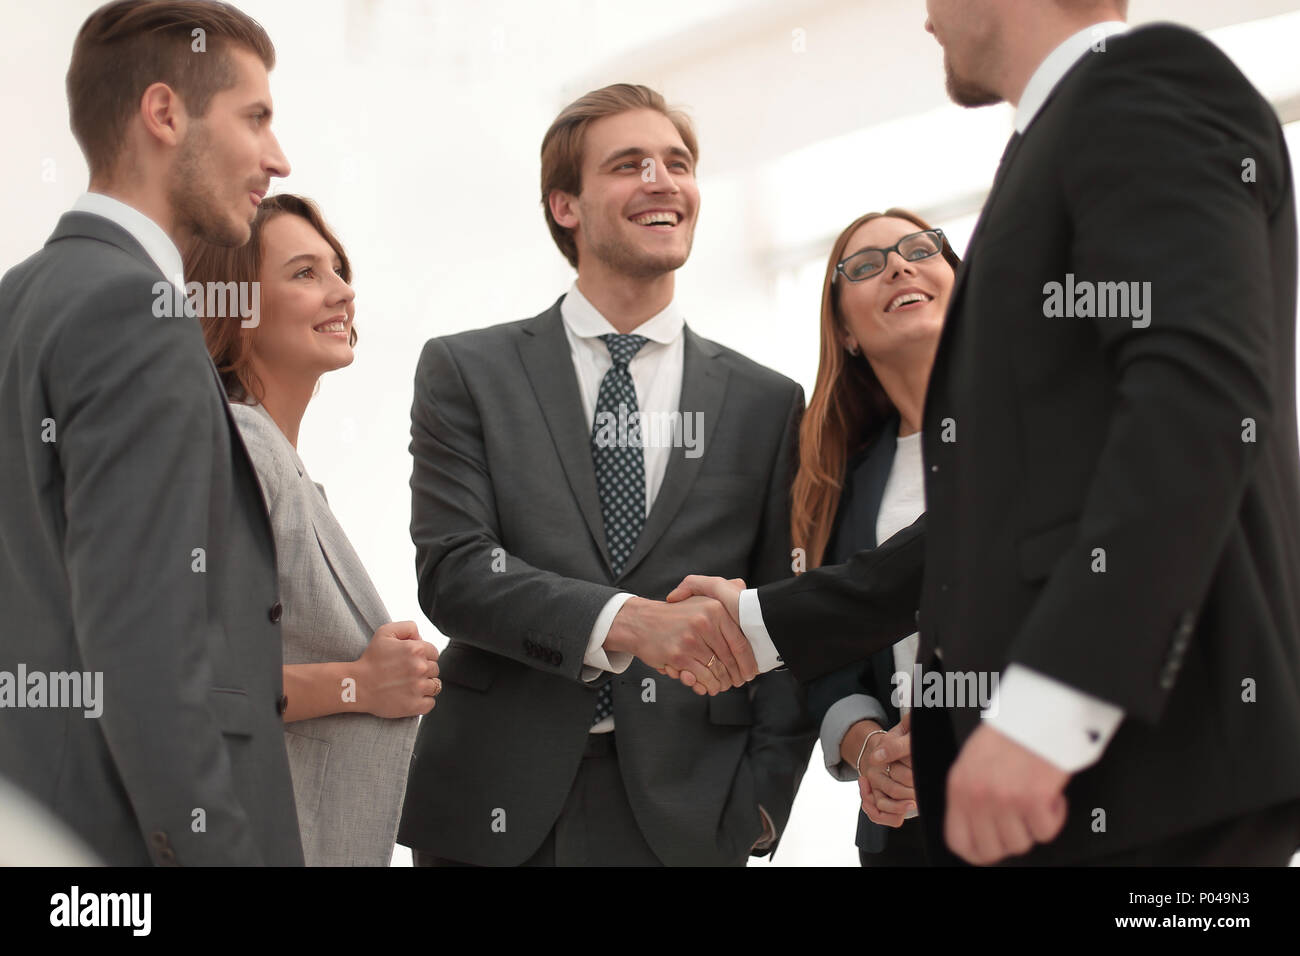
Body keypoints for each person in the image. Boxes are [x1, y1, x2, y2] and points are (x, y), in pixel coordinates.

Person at [672, 0, 1300, 866]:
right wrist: (757, 622)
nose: (926, 21)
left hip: (1156, 764)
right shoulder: (1052, 145)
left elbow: (1193, 404)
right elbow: (986, 526)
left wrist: (1051, 707)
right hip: (1076, 790)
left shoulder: (1139, 82)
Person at [396, 83, 815, 867]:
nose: (662, 180)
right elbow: (455, 572)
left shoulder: (769, 402)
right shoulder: (467, 370)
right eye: (629, 164)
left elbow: (783, 618)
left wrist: (760, 805)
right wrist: (629, 621)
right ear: (566, 205)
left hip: (686, 816)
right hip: (494, 804)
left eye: (677, 163)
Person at [0, 0, 300, 865]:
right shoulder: (137, 308)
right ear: (165, 113)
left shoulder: (26, 298)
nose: (277, 159)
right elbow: (147, 652)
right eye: (256, 118)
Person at [185, 194, 439, 866]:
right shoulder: (236, 449)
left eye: (339, 270)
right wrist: (361, 682)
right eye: (305, 273)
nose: (342, 292)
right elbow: (184, 679)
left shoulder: (276, 462)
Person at [794, 210, 959, 866]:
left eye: (920, 249)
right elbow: (831, 655)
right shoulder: (840, 482)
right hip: (910, 834)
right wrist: (870, 749)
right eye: (864, 266)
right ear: (846, 331)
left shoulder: (1050, 427)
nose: (898, 265)